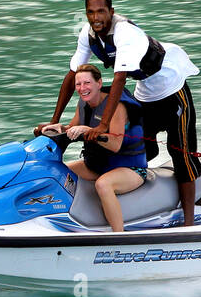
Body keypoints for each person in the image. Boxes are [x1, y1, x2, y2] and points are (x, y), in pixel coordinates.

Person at [35, 0, 201, 225]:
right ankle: (146, 204)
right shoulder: (89, 34)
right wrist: (54, 120)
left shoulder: (124, 32)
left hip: (172, 88)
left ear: (111, 12)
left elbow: (119, 79)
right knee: (141, 148)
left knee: (181, 156)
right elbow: (73, 74)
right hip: (146, 91)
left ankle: (189, 225)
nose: (96, 18)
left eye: (101, 12)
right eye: (91, 12)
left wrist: (103, 125)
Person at [40, 64, 148, 233]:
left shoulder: (117, 107)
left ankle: (119, 236)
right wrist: (58, 129)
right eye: (78, 84)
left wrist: (89, 131)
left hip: (130, 168)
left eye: (87, 83)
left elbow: (115, 144)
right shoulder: (83, 105)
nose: (82, 88)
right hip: (98, 165)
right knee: (58, 172)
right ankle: (62, 223)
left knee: (103, 185)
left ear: (99, 83)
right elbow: (72, 130)